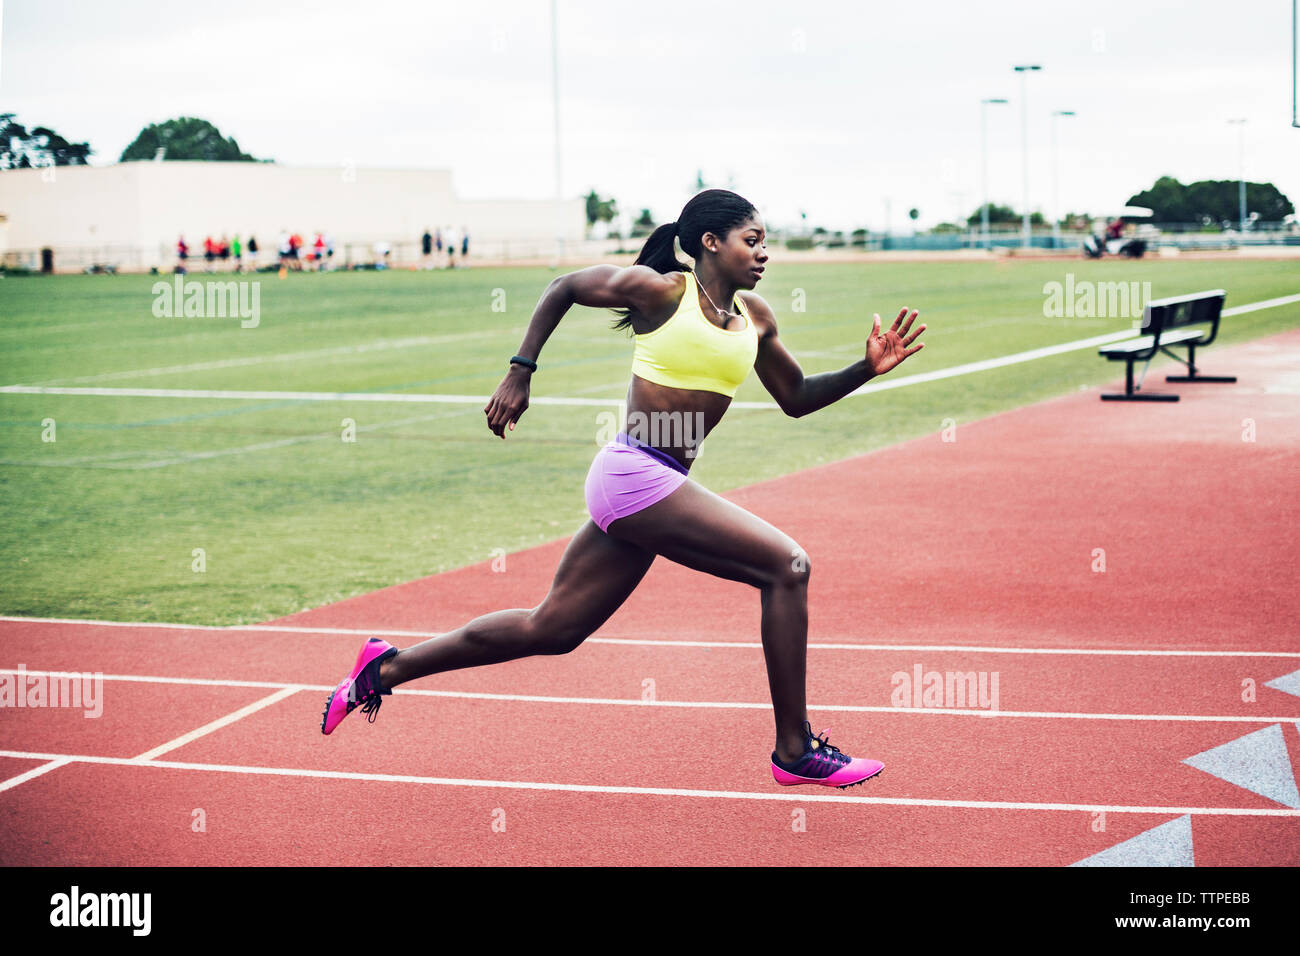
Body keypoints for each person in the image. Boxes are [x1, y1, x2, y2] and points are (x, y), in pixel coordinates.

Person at [319, 189, 926, 790]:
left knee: (551, 630)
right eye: (753, 239)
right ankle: (794, 749)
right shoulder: (660, 292)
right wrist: (519, 372)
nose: (764, 252)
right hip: (636, 472)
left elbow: (795, 399)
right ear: (711, 243)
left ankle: (381, 671)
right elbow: (564, 288)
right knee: (788, 566)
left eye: (766, 241)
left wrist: (864, 369)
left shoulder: (756, 320)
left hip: (654, 485)